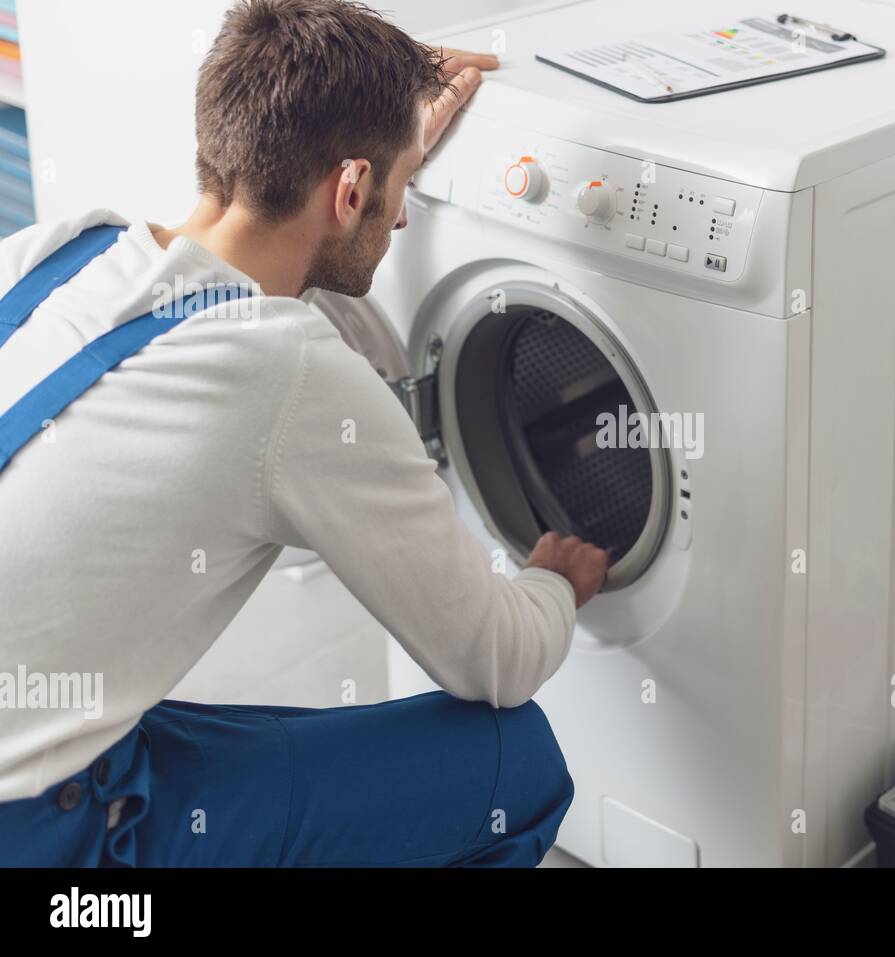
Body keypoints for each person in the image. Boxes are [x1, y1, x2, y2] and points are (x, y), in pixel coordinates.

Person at [0, 0, 608, 867]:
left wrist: (374, 117)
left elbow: (256, 306)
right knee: (518, 764)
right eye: (394, 191)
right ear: (351, 189)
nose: (401, 220)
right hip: (43, 844)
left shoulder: (54, 252)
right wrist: (551, 583)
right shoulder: (291, 373)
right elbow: (498, 661)